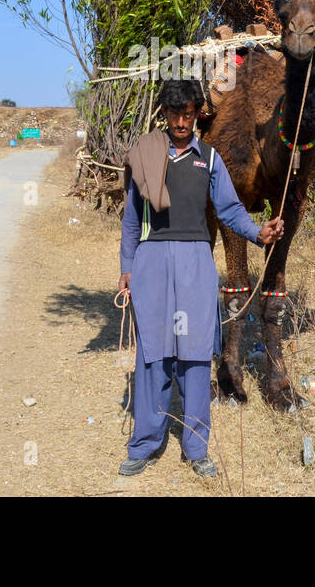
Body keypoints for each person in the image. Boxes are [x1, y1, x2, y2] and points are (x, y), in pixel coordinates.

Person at [117, 77, 284, 478]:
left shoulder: (208, 159)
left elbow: (229, 210)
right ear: (164, 114)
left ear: (196, 115)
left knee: (194, 355)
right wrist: (127, 268)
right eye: (174, 113)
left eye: (188, 114)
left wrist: (259, 233)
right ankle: (144, 443)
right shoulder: (146, 155)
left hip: (195, 260)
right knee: (153, 352)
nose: (180, 121)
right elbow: (129, 220)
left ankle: (196, 447)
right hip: (153, 260)